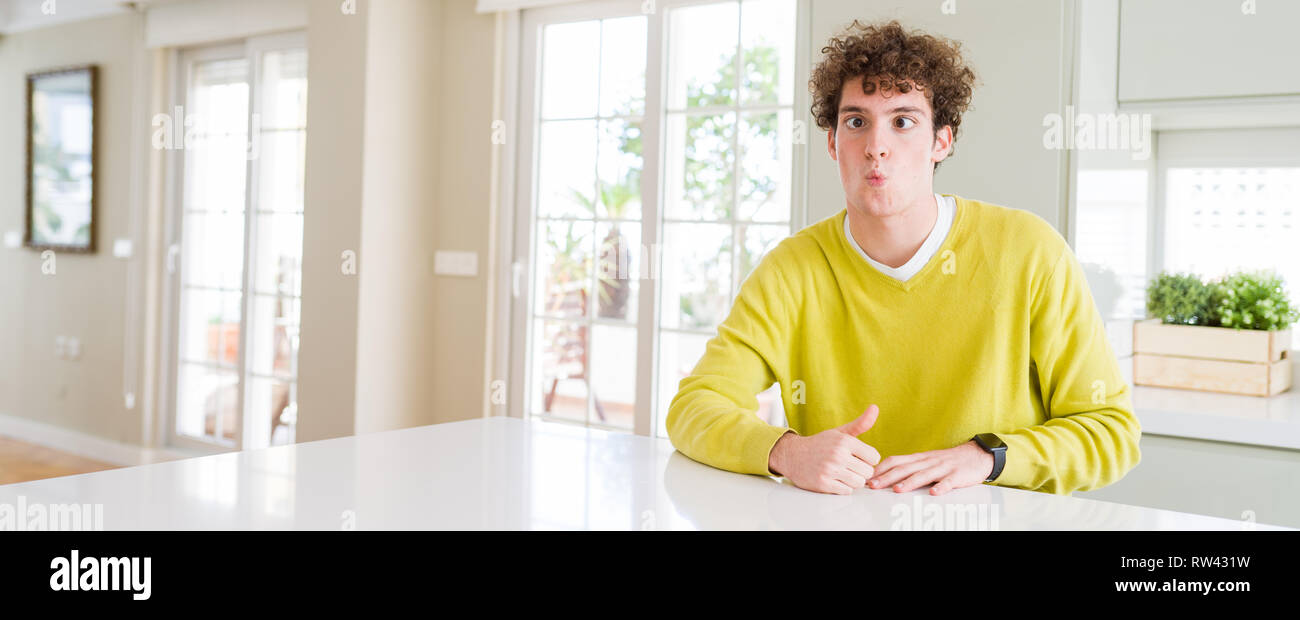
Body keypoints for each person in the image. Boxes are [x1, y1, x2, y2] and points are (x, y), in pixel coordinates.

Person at [665, 19, 1141, 496]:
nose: (876, 147)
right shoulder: (792, 270)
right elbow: (694, 407)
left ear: (941, 141)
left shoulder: (1031, 251)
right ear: (833, 143)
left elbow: (1111, 431)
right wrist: (786, 450)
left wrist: (987, 457)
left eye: (903, 121)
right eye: (856, 122)